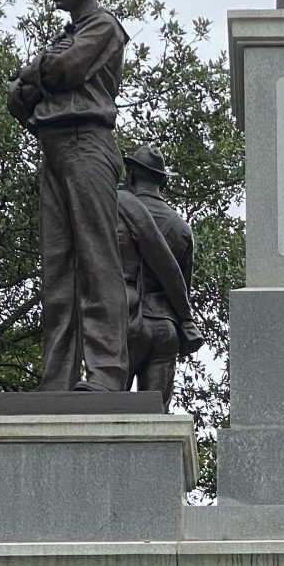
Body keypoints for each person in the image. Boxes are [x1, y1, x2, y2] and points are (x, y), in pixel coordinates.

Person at [7, 0, 130, 392]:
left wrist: (32, 73)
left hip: (86, 144)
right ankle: (56, 380)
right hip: (55, 150)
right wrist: (36, 76)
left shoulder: (102, 26)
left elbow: (65, 71)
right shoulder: (66, 35)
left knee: (98, 262)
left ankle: (106, 376)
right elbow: (16, 103)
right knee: (57, 267)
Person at [116, 143, 204, 406]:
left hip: (124, 321)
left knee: (107, 409)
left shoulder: (115, 209)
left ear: (131, 174)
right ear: (162, 182)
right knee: (155, 419)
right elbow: (182, 286)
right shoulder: (181, 228)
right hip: (165, 328)